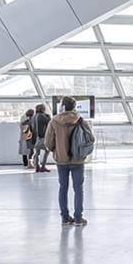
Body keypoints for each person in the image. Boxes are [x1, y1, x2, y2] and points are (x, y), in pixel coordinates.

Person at [44, 96, 93, 226]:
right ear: (75, 107)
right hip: (78, 160)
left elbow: (48, 143)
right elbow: (90, 138)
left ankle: (65, 218)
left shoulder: (54, 121)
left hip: (61, 160)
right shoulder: (81, 120)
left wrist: (57, 149)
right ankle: (78, 218)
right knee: (78, 189)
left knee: (63, 188)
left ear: (63, 106)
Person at [31, 103, 52, 173]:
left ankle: (37, 167)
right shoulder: (42, 116)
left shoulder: (34, 117)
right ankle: (43, 166)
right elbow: (49, 122)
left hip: (35, 137)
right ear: (42, 109)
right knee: (47, 151)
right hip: (42, 137)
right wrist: (48, 116)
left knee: (37, 152)